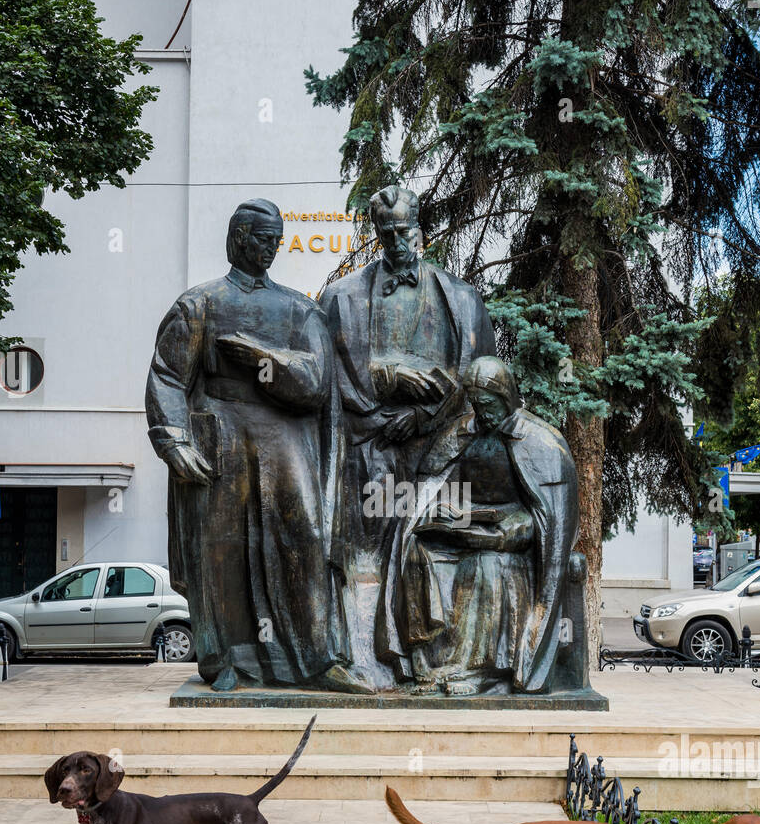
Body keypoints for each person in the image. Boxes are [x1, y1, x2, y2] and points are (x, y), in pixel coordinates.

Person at [146, 198, 373, 694]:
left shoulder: (299, 308)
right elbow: (167, 376)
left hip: (287, 441)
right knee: (221, 550)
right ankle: (230, 658)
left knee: (306, 540)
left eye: (277, 240)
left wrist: (262, 357)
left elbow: (316, 382)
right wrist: (174, 438)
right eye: (262, 239)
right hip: (220, 437)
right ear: (238, 238)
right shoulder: (198, 304)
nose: (271, 248)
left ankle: (318, 658)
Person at [377, 357, 579, 695]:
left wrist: (513, 529)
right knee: (416, 553)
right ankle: (431, 666)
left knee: (485, 565)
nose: (480, 412)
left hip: (512, 541)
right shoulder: (462, 433)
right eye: (475, 404)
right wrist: (442, 511)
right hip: (465, 528)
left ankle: (481, 670)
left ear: (505, 397)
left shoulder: (540, 442)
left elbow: (553, 521)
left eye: (486, 404)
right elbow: (436, 484)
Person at [320, 185, 496, 553]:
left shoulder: (462, 299)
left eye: (403, 232)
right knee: (369, 552)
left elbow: (480, 378)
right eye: (387, 234)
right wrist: (387, 375)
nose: (397, 242)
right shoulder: (341, 297)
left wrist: (421, 417)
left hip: (442, 446)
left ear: (418, 230)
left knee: (436, 548)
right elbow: (327, 376)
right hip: (370, 446)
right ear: (377, 233)